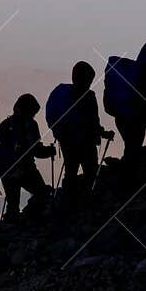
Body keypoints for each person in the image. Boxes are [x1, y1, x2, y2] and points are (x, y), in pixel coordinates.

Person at [45, 62, 111, 203]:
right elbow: (93, 122)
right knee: (90, 171)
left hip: (67, 141)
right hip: (86, 141)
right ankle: (88, 201)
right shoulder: (88, 97)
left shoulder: (63, 94)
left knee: (71, 171)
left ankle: (69, 202)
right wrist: (103, 133)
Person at [103, 40, 146, 170]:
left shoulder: (134, 73)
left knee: (131, 147)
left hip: (122, 117)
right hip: (137, 119)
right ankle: (128, 177)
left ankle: (125, 173)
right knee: (133, 148)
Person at [0, 94, 55, 220]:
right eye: (33, 113)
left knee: (13, 206)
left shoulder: (5, 125)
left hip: (8, 172)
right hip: (26, 170)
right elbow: (36, 150)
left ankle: (11, 227)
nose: (33, 116)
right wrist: (49, 151)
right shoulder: (30, 125)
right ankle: (31, 220)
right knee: (42, 194)